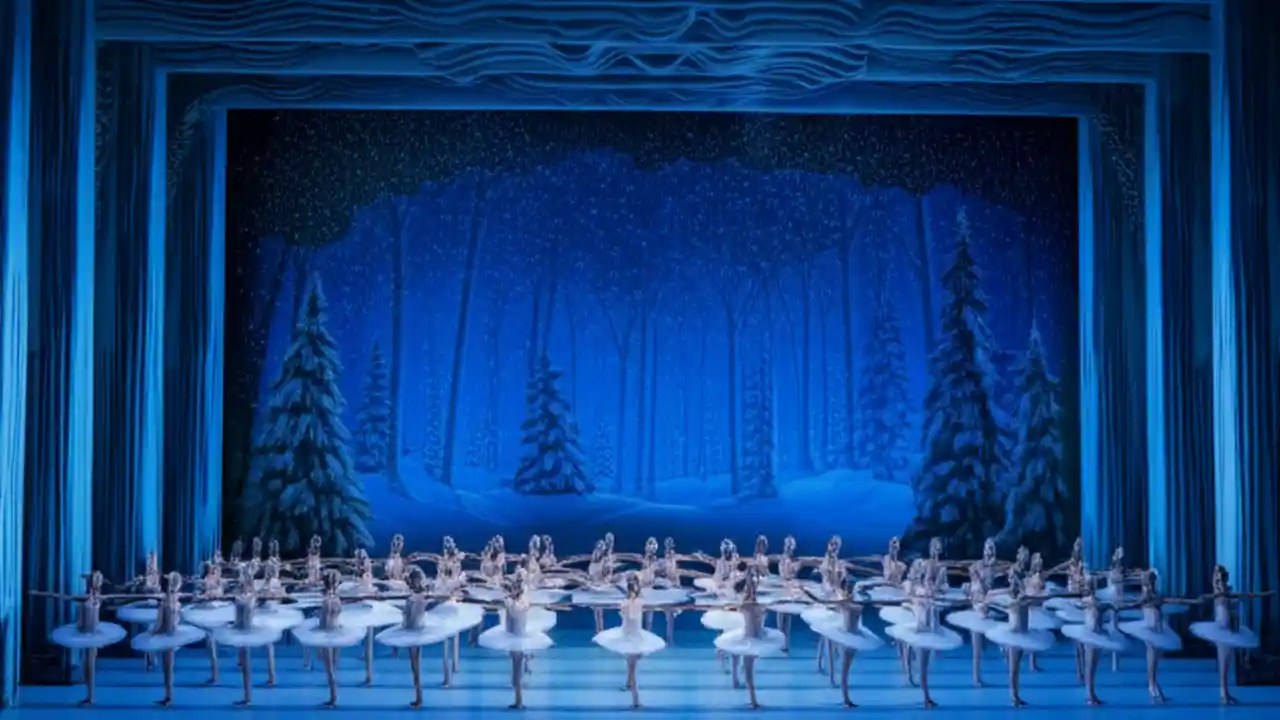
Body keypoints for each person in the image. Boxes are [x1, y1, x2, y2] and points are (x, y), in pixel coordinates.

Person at [42, 571, 128, 705]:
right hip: (83, 631)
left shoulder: (99, 597)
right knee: (86, 665)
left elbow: (112, 597)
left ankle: (91, 696)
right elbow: (69, 601)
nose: (94, 585)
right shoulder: (84, 597)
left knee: (90, 665)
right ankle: (89, 694)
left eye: (95, 583)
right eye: (92, 582)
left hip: (94, 633)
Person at [1189, 565, 1268, 705]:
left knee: (1228, 662)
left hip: (1231, 629)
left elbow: (1240, 596)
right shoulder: (1218, 589)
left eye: (1223, 575)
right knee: (1224, 662)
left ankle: (1225, 693)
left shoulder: (1228, 590)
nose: (1221, 578)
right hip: (1221, 629)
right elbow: (1219, 593)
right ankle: (1223, 693)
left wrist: (1257, 595)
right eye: (1219, 576)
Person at [477, 569, 554, 709]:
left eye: (513, 589)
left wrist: (509, 601)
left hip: (519, 637)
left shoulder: (520, 601)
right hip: (510, 634)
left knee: (517, 667)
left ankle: (519, 700)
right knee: (514, 664)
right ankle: (516, 689)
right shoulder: (513, 600)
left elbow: (514, 610)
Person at [375, 567, 452, 706]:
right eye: (413, 580)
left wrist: (445, 597)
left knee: (416, 665)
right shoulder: (413, 595)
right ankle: (418, 695)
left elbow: (432, 602)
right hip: (409, 629)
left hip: (416, 631)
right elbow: (408, 610)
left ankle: (419, 697)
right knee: (414, 666)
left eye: (417, 580)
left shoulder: (423, 595)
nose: (415, 582)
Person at [712, 567, 785, 709]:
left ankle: (753, 701)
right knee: (748, 672)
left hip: (753, 639)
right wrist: (750, 579)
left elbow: (752, 592)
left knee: (748, 672)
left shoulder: (753, 604)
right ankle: (753, 700)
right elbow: (748, 594)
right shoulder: (750, 604)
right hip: (752, 639)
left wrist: (751, 579)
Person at [291, 570, 367, 707]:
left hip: (326, 634)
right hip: (337, 631)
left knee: (329, 668)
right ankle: (334, 694)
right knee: (334, 666)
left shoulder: (326, 601)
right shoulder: (337, 599)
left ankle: (333, 696)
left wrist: (318, 631)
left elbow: (324, 622)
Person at [1117, 569, 1193, 704]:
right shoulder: (1146, 597)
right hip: (1148, 629)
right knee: (1152, 657)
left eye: (1152, 582)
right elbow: (1134, 604)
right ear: (1145, 584)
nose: (1151, 585)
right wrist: (1119, 607)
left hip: (1158, 629)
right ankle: (1152, 686)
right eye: (1149, 583)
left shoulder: (1156, 596)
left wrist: (1191, 601)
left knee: (1155, 659)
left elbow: (1172, 600)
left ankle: (1153, 684)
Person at [592, 573, 668, 708]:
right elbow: (632, 615)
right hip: (628, 638)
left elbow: (631, 614)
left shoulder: (630, 603)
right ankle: (636, 700)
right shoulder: (634, 602)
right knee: (632, 669)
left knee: (632, 666)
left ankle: (630, 688)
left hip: (635, 638)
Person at [131, 572, 207, 706]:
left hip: (166, 636)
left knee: (167, 667)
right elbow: (176, 619)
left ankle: (168, 696)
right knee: (169, 666)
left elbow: (159, 623)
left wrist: (152, 632)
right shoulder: (176, 603)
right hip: (173, 634)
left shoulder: (165, 603)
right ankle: (168, 695)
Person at [211, 564, 283, 705]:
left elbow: (272, 595)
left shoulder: (248, 596)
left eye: (242, 579)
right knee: (245, 665)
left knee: (246, 665)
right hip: (242, 629)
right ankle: (248, 695)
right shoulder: (249, 596)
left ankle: (248, 696)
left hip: (246, 630)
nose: (240, 582)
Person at [1061, 582, 1128, 705]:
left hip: (1099, 635)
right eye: (1089, 588)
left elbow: (1109, 606)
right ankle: (1089, 694)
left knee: (1094, 665)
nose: (1091, 590)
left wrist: (1115, 606)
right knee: (1090, 665)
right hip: (1090, 635)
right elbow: (1079, 605)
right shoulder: (1086, 601)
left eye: (1092, 588)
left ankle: (1091, 693)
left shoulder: (1098, 602)